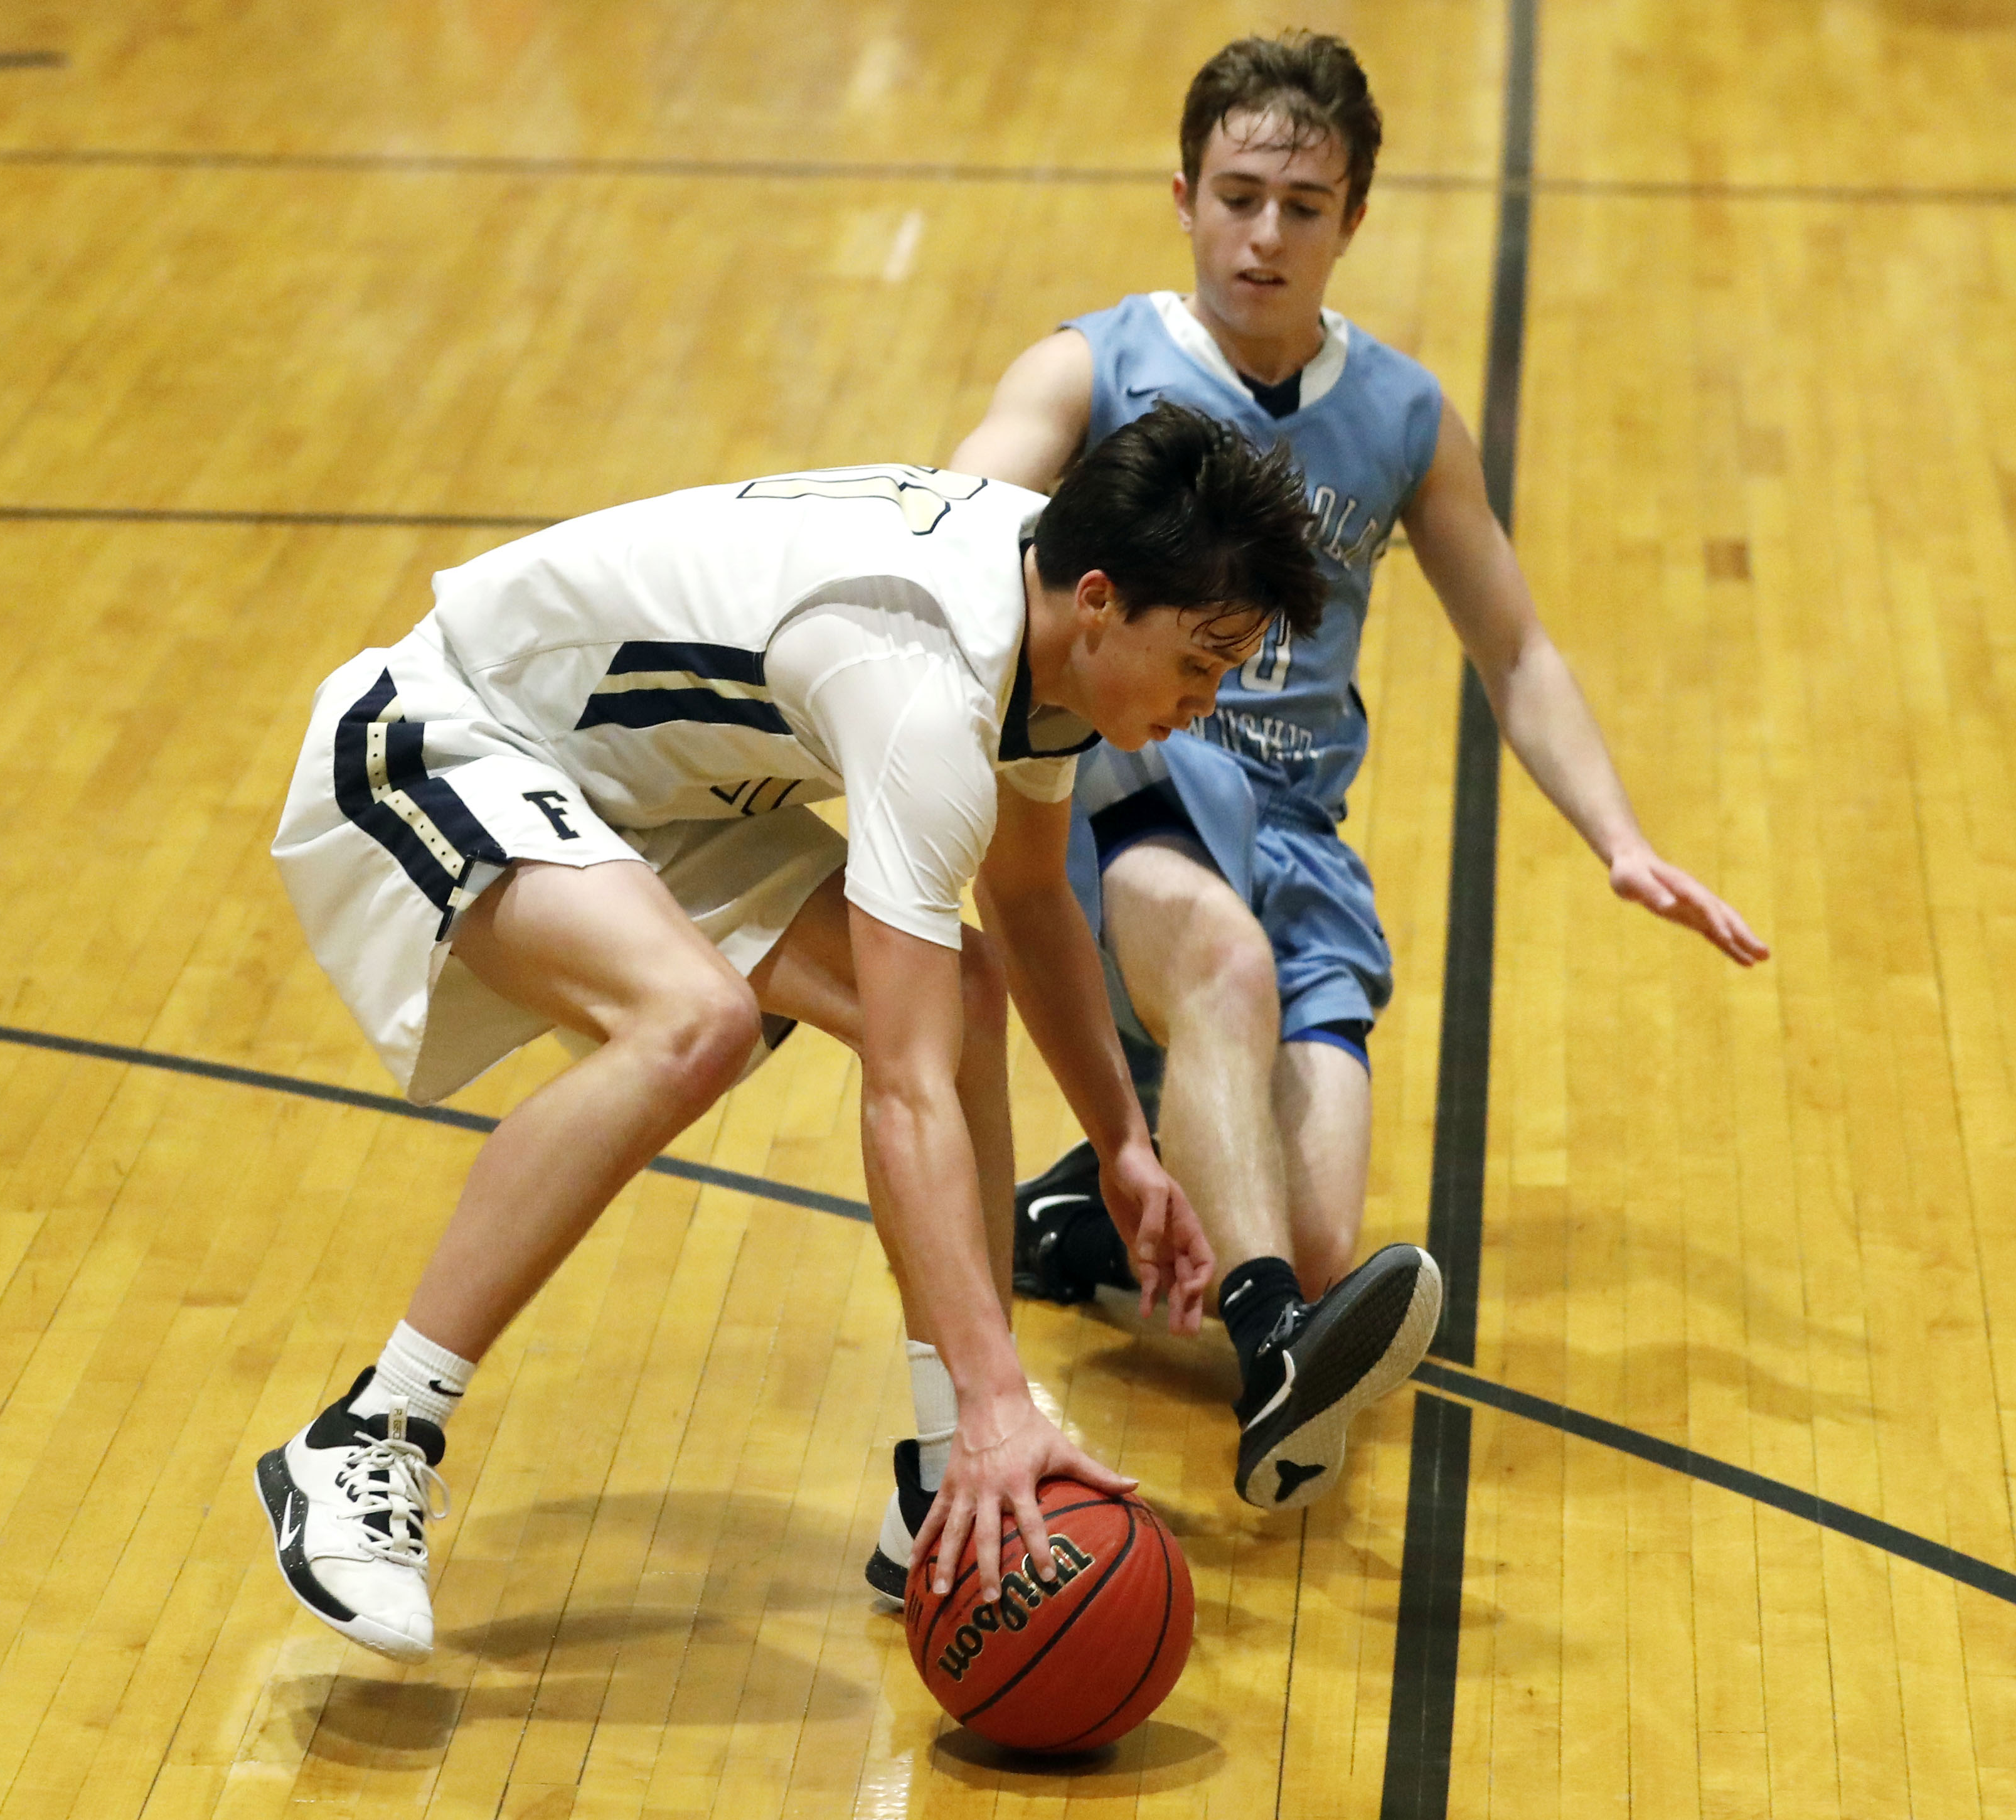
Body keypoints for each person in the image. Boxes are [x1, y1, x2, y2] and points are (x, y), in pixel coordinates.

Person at [255, 404, 1322, 1660]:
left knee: (960, 994)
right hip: (450, 732)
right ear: (1100, 602)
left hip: (651, 793)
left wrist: (1123, 1141)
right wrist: (1003, 1393)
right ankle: (374, 1428)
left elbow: (1031, 900)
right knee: (694, 1020)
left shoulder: (1051, 623)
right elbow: (906, 1095)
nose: (1205, 700)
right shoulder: (921, 684)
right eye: (1200, 660)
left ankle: (945, 1466)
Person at [939, 33, 1769, 1519]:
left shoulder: (1397, 414)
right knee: (1223, 971)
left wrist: (1618, 837)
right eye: (1236, 198)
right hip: (1127, 785)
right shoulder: (1089, 368)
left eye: (1301, 208)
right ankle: (1269, 1351)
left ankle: (1084, 1215)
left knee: (1322, 1244)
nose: (1263, 236)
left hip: (1297, 832)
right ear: (1182, 196)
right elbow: (954, 530)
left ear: (1353, 220)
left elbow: (1513, 647)